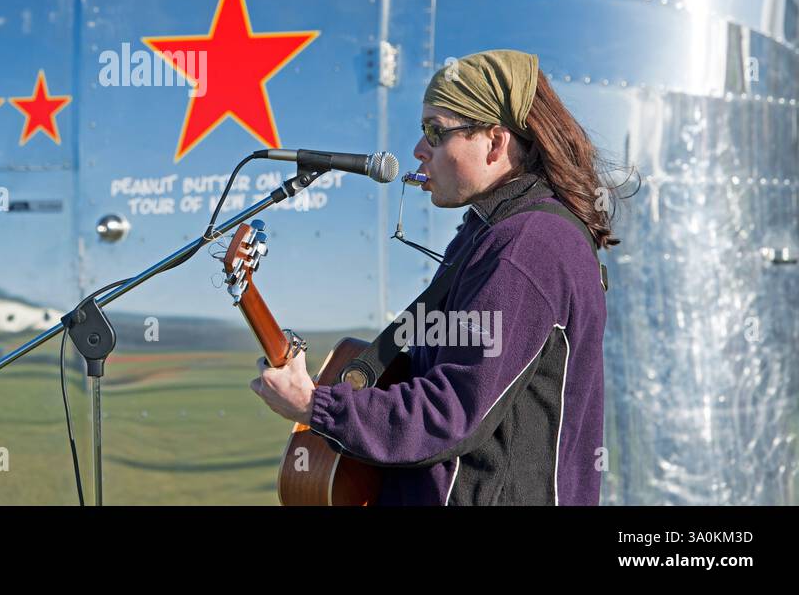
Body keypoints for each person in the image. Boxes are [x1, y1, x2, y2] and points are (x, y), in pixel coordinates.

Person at [251, 48, 628, 505]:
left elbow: (451, 411)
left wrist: (316, 406)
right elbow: (452, 376)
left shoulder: (528, 246)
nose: (418, 150)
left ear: (494, 142)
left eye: (436, 131)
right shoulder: (491, 233)